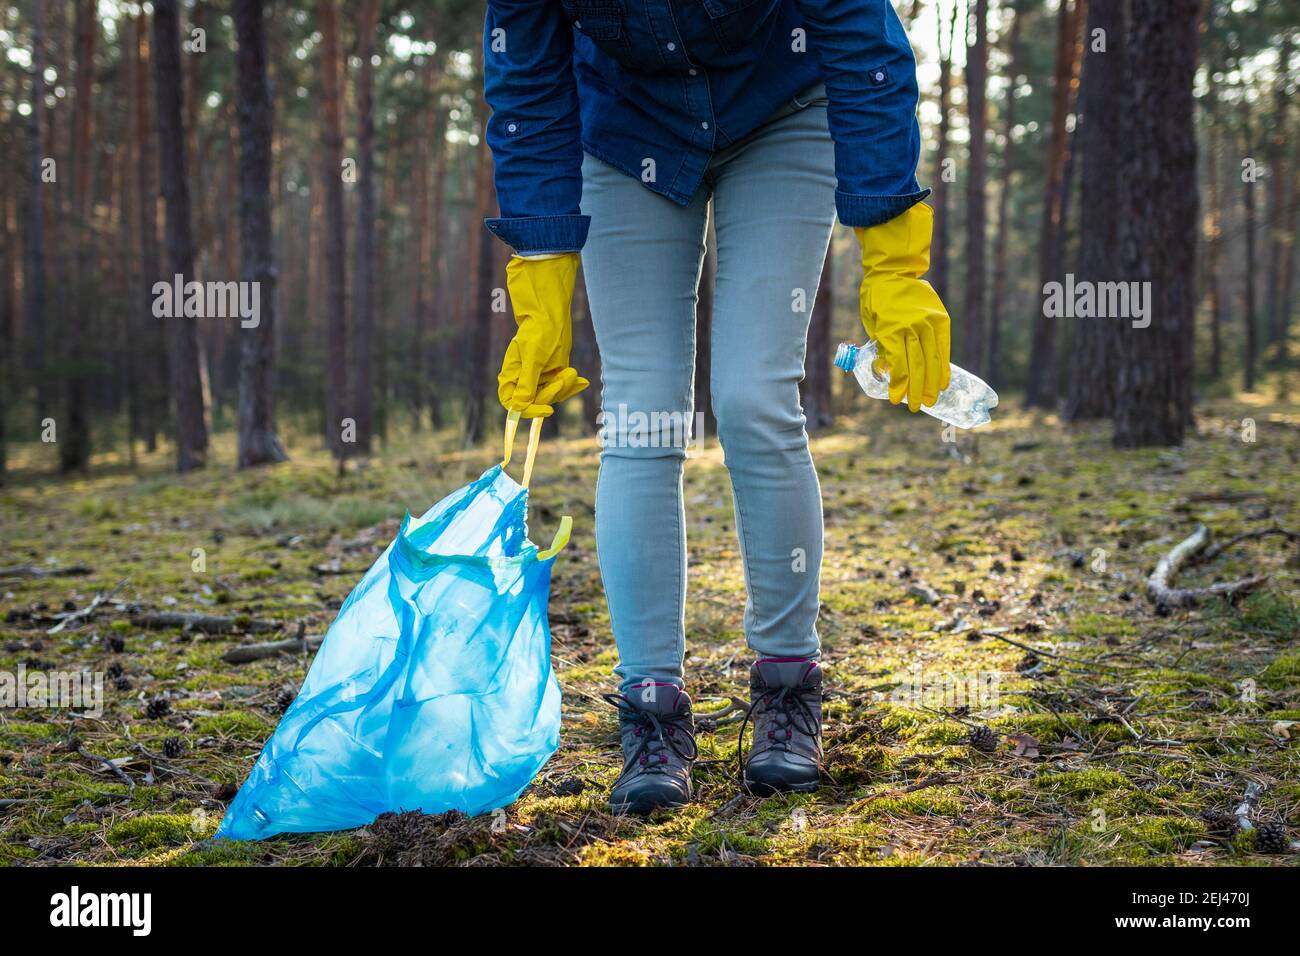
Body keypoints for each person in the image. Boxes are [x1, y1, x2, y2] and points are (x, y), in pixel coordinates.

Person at [483, 0, 953, 813]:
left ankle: (786, 687)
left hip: (781, 113)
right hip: (628, 134)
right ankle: (651, 711)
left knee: (753, 398)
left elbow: (863, 42)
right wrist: (542, 256)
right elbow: (527, 83)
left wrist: (892, 257)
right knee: (641, 416)